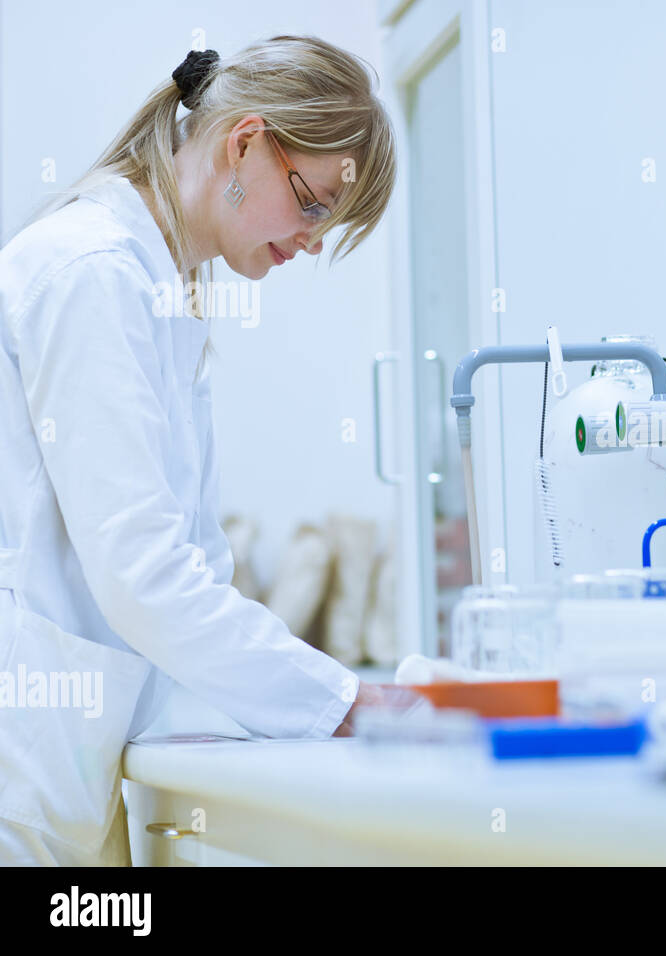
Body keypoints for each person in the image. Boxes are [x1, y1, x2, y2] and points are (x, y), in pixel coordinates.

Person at [0, 37, 406, 865]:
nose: (312, 239)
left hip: (66, 768)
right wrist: (349, 700)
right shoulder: (92, 273)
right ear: (246, 142)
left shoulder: (167, 289)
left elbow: (194, 567)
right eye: (316, 203)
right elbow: (144, 574)